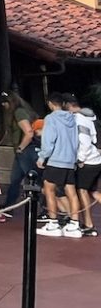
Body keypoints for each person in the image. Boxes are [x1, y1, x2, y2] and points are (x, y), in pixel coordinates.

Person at [36, 93, 81, 237]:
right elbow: (76, 140)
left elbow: (49, 140)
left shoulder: (51, 118)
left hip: (56, 160)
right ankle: (74, 224)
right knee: (71, 193)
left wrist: (42, 157)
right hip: (69, 160)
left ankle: (53, 223)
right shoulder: (72, 118)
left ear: (50, 103)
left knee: (49, 190)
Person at [0, 90, 39, 210]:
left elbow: (29, 133)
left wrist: (21, 147)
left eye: (5, 102)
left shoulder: (19, 112)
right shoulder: (20, 112)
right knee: (15, 179)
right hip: (21, 151)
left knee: (33, 179)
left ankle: (44, 207)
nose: (3, 105)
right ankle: (9, 205)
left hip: (25, 150)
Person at [65, 95, 99, 237]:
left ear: (68, 105)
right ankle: (88, 224)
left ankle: (89, 224)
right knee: (93, 192)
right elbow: (94, 138)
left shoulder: (79, 119)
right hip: (95, 158)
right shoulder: (88, 117)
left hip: (88, 161)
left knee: (82, 190)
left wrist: (80, 159)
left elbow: (84, 141)